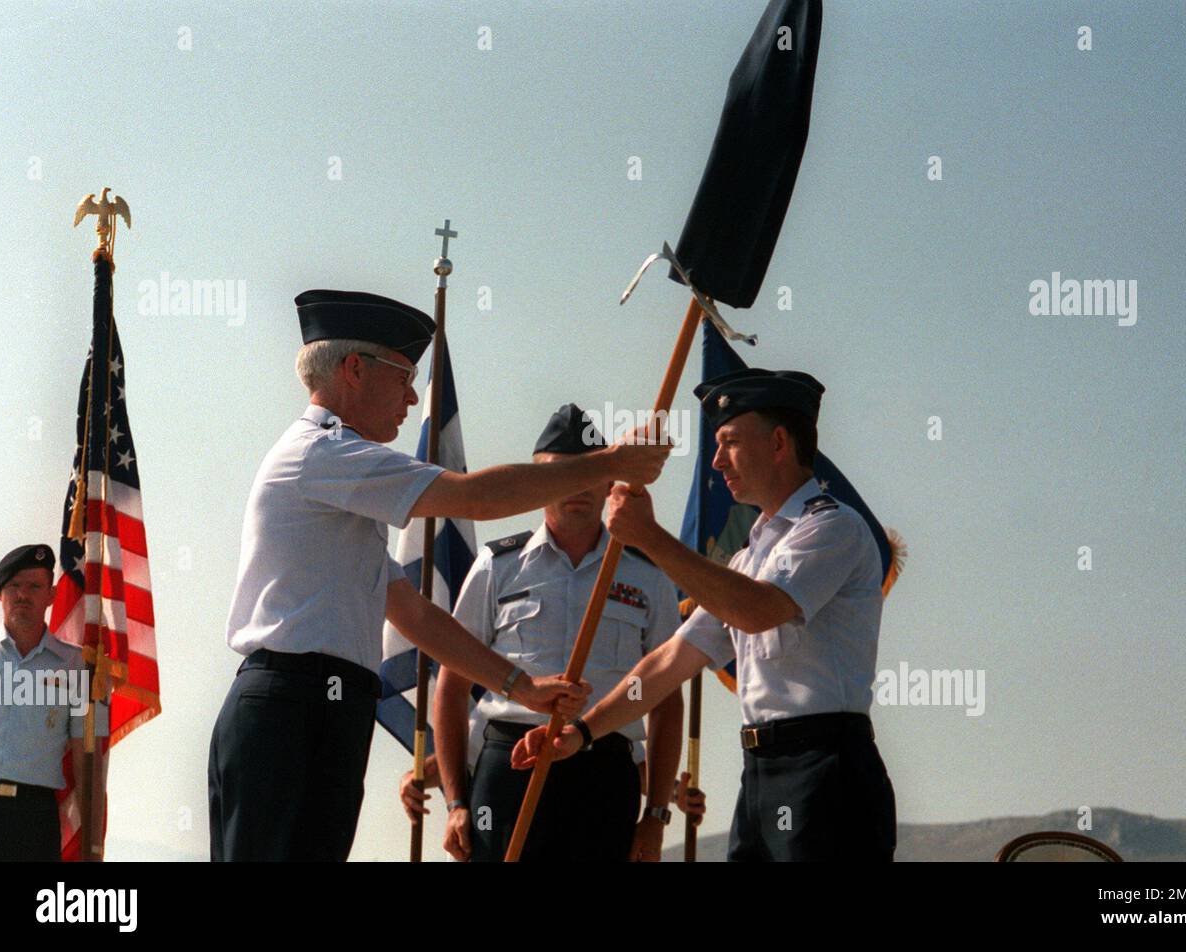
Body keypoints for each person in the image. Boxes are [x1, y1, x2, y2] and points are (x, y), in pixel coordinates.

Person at [207, 290, 670, 861]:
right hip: (292, 708)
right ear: (354, 369)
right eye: (404, 377)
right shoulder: (324, 454)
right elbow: (469, 498)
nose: (409, 398)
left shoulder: (344, 481)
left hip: (320, 711)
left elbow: (417, 615)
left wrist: (519, 686)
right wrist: (609, 466)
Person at [513, 368, 896, 861]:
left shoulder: (834, 529)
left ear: (779, 442)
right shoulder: (747, 557)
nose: (716, 461)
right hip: (760, 771)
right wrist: (583, 731)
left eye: (729, 442)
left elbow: (758, 610)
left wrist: (648, 537)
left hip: (825, 767)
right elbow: (671, 660)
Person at [424, 404, 683, 862]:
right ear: (537, 486)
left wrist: (657, 815)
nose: (576, 489)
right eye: (560, 476)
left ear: (609, 483)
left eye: (587, 474)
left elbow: (665, 699)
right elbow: (453, 682)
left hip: (605, 772)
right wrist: (456, 803)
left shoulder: (649, 576)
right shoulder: (497, 566)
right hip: (509, 772)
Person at [0, 544, 106, 861]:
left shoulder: (75, 666)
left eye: (34, 586)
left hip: (35, 820)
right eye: (14, 586)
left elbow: (87, 761)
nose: (23, 595)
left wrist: (93, 848)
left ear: (51, 596)